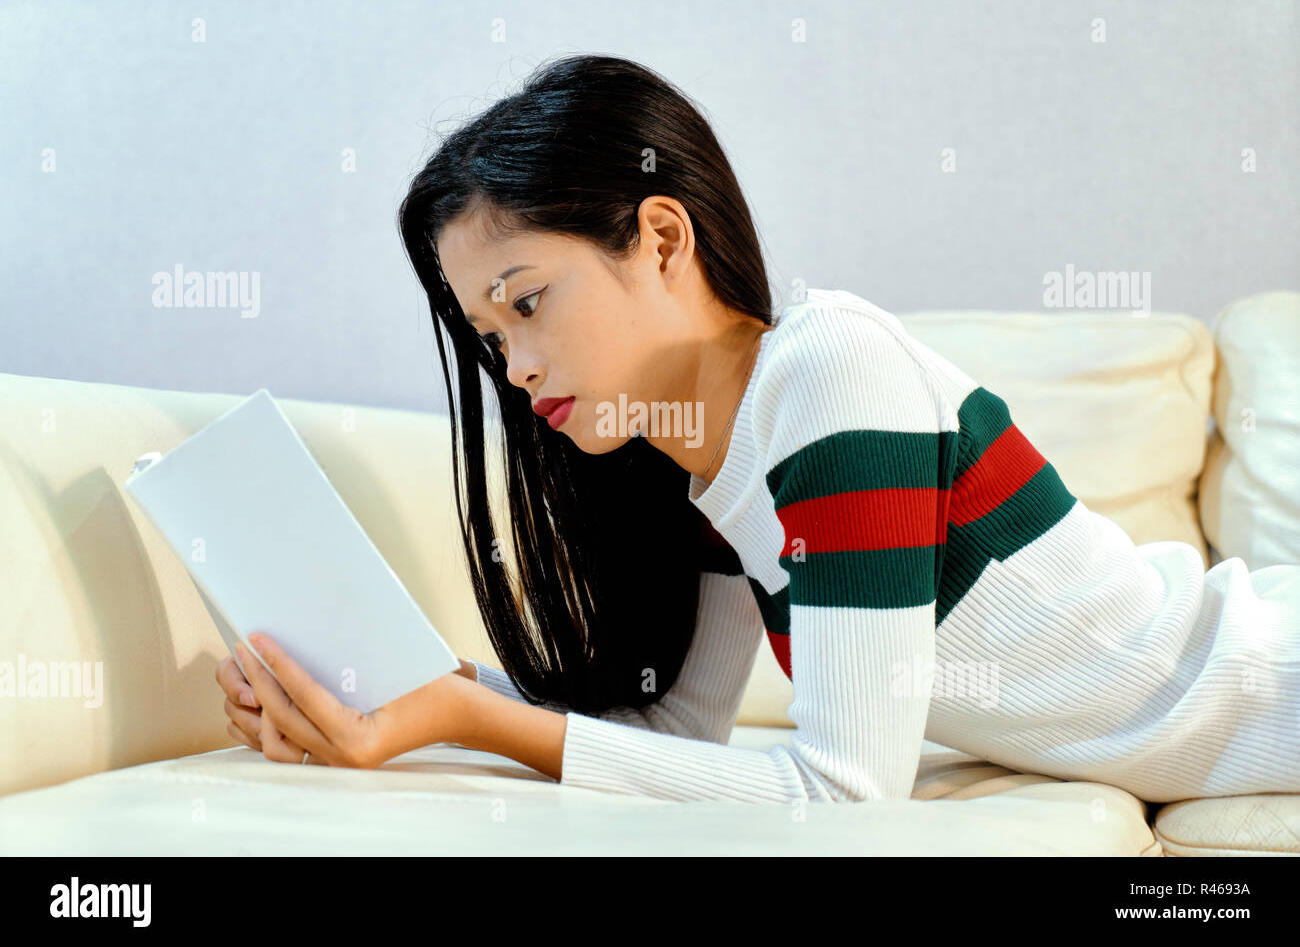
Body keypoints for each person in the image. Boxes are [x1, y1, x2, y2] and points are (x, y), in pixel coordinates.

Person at [217, 53, 1300, 804]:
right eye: (489, 333)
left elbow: (842, 793)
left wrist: (465, 721)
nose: (518, 364)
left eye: (528, 299)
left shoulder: (830, 376)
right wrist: (418, 689)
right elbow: (680, 735)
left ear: (660, 237)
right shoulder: (701, 464)